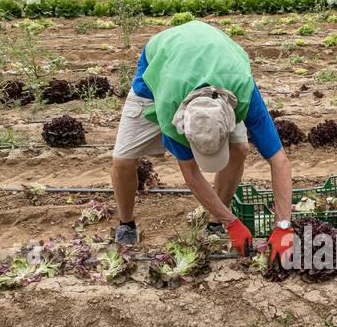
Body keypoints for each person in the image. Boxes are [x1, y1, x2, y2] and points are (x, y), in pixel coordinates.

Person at [110, 20, 293, 262]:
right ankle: (126, 223)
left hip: (219, 66)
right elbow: (191, 174)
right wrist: (234, 223)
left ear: (230, 118)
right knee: (123, 159)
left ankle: (216, 222)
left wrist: (283, 226)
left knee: (239, 148)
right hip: (160, 72)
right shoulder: (168, 111)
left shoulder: (245, 92)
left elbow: (279, 160)